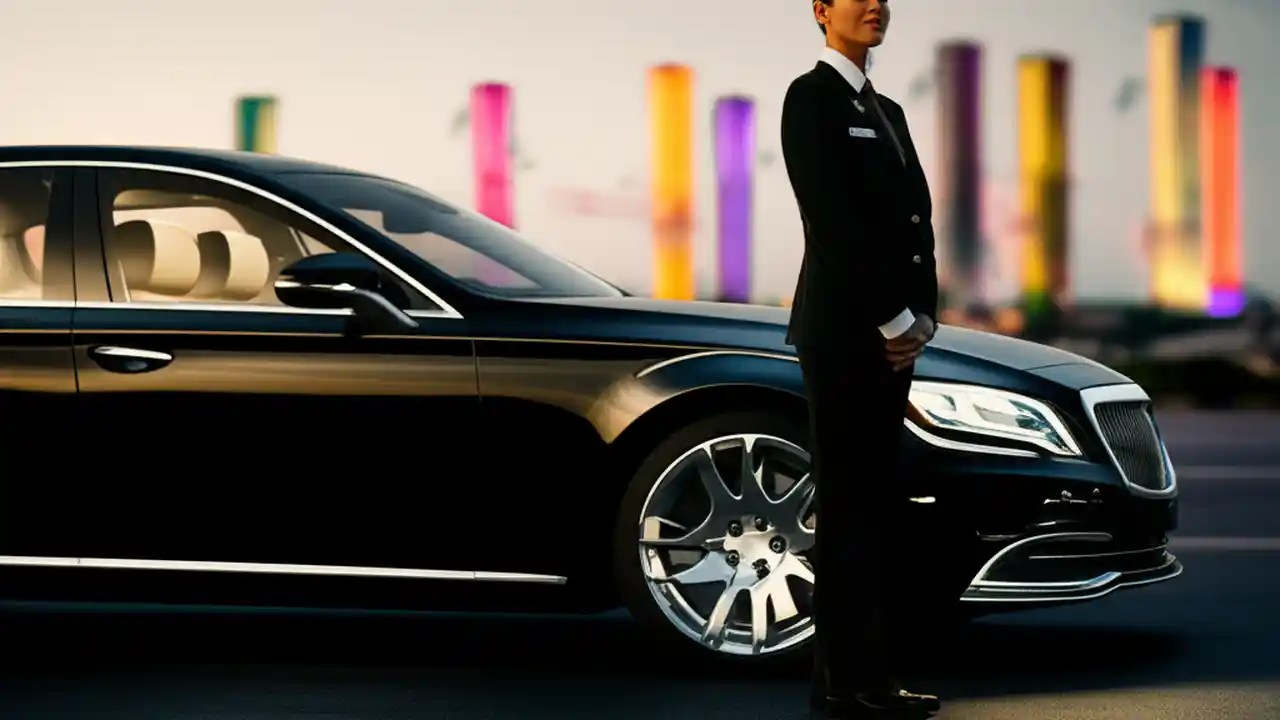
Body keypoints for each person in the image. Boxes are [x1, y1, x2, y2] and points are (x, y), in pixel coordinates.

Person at [780, 0, 942, 718]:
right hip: (846, 335)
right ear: (821, 10)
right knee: (847, 514)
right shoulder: (810, 99)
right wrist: (893, 318)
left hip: (893, 338)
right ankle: (844, 688)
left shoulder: (890, 112)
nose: (876, 4)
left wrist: (924, 317)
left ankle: (869, 680)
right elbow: (834, 221)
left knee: (877, 515)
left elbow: (917, 223)